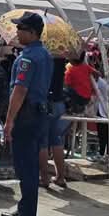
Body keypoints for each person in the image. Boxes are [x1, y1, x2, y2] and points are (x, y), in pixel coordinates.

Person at [0, 13, 52, 216]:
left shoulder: (27, 58)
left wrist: (9, 121)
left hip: (26, 115)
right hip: (39, 114)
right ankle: (24, 209)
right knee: (28, 164)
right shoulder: (46, 55)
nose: (17, 33)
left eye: (20, 29)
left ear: (31, 33)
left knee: (26, 167)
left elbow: (19, 91)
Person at [40, 55, 70, 189]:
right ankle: (60, 177)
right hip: (59, 102)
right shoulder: (60, 57)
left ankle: (44, 178)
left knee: (43, 142)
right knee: (57, 140)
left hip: (46, 102)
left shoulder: (43, 56)